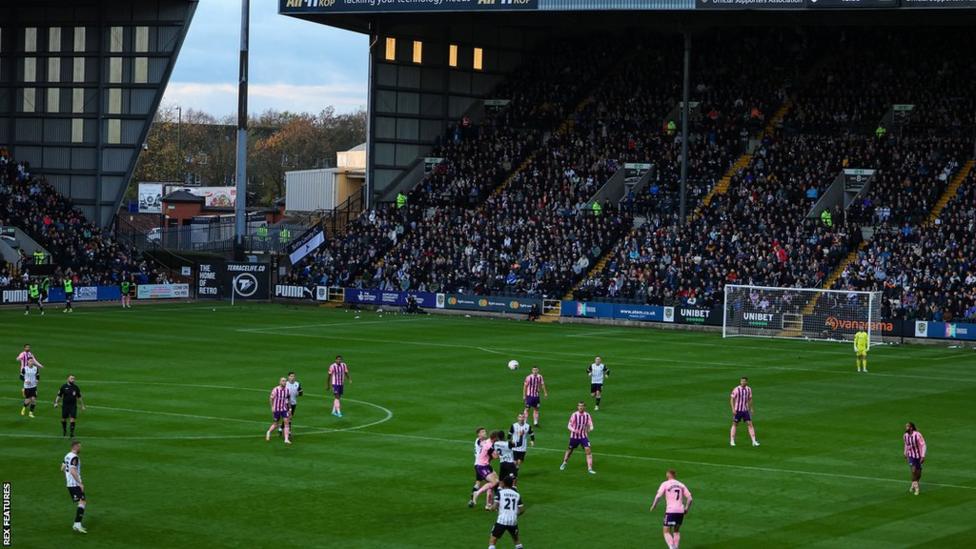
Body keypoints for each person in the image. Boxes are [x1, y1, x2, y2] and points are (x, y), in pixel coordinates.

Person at [650, 469, 693, 549]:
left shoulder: (665, 484)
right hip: (680, 511)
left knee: (666, 531)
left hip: (671, 511)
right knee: (676, 531)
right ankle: (676, 547)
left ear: (668, 475)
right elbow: (690, 498)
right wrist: (686, 508)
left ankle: (671, 547)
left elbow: (658, 496)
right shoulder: (681, 484)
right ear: (675, 475)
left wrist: (654, 505)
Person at [488, 476, 524, 549]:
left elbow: (495, 506)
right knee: (516, 540)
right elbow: (522, 509)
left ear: (504, 483)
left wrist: (490, 508)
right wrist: (515, 514)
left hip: (502, 521)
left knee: (492, 541)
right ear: (512, 484)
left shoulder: (500, 493)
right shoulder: (517, 494)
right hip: (513, 521)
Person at [560, 401, 595, 474]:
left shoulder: (587, 415)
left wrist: (590, 429)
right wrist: (574, 430)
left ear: (584, 407)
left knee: (588, 450)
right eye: (579, 406)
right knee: (570, 450)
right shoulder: (574, 415)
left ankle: (590, 468)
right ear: (577, 407)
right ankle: (564, 462)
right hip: (574, 437)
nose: (581, 407)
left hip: (583, 436)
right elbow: (569, 425)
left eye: (582, 406)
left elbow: (591, 424)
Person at [61, 440, 88, 534]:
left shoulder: (67, 455)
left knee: (82, 501)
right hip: (74, 484)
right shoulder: (75, 457)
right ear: (75, 447)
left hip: (70, 483)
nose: (80, 448)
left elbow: (62, 468)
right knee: (83, 502)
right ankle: (77, 524)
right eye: (79, 446)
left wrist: (67, 475)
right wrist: (80, 483)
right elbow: (72, 471)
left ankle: (77, 524)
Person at [471, 431, 500, 510]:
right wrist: (501, 452)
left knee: (496, 481)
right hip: (481, 466)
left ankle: (488, 505)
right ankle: (477, 493)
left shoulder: (487, 441)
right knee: (494, 482)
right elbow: (495, 457)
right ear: (495, 438)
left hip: (486, 465)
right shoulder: (489, 445)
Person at [730, 377, 759, 447]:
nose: (742, 382)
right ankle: (732, 440)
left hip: (745, 410)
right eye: (741, 381)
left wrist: (751, 408)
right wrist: (733, 409)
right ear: (740, 382)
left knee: (750, 424)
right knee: (735, 424)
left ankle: (754, 441)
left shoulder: (749, 389)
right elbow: (731, 399)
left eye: (744, 381)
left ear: (746, 382)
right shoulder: (737, 389)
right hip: (738, 410)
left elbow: (750, 399)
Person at [469, 427, 491, 508]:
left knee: (478, 484)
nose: (485, 433)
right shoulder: (479, 441)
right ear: (479, 434)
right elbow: (484, 445)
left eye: (485, 431)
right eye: (482, 432)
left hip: (478, 465)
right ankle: (488, 505)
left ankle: (472, 500)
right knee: (491, 483)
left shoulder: (481, 440)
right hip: (481, 465)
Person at [265, 377, 291, 444]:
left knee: (286, 422)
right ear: (280, 382)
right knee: (276, 424)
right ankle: (268, 432)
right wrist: (272, 407)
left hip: (284, 409)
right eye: (283, 381)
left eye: (285, 381)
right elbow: (271, 398)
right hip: (276, 409)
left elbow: (288, 400)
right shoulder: (276, 389)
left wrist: (289, 408)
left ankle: (286, 439)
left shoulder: (287, 390)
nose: (284, 382)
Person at [904, 422, 926, 495]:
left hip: (918, 455)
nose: (906, 428)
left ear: (911, 428)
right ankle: (917, 489)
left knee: (918, 473)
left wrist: (923, 456)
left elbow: (923, 445)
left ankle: (913, 484)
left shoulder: (917, 435)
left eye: (907, 426)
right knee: (913, 470)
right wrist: (905, 453)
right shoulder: (905, 435)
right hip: (911, 455)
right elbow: (906, 445)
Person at [20, 353, 42, 418]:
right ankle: (24, 408)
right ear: (28, 362)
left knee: (33, 400)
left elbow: (37, 375)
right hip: (27, 387)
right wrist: (25, 380)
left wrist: (37, 380)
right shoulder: (24, 369)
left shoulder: (35, 368)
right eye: (30, 361)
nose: (32, 362)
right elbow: (21, 376)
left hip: (34, 386)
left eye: (32, 361)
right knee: (28, 400)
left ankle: (31, 413)